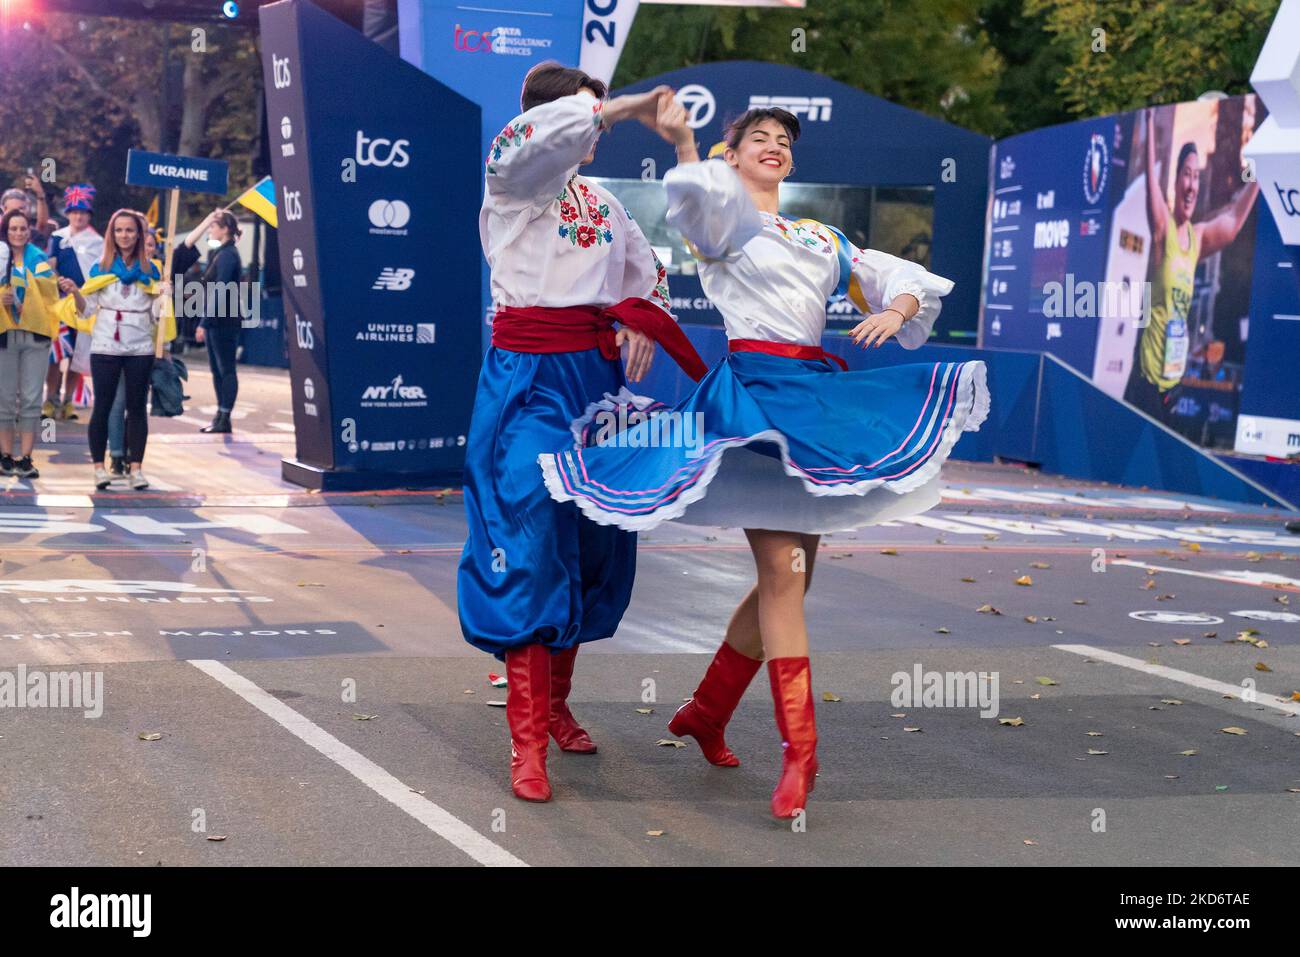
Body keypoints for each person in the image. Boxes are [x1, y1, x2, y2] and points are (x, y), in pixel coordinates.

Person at [539, 102, 989, 819]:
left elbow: (900, 277)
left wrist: (897, 312)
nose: (775, 147)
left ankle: (707, 710)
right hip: (752, 405)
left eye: (784, 140)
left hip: (813, 405)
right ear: (734, 152)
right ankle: (800, 752)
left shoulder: (819, 236)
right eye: (760, 139)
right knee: (783, 573)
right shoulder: (729, 226)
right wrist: (685, 142)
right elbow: (696, 205)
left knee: (794, 578)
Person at [459, 62, 707, 804]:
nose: (592, 128)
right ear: (547, 120)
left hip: (596, 389)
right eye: (583, 115)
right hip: (527, 382)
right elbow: (545, 137)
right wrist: (624, 108)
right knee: (532, 539)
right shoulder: (511, 179)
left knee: (595, 536)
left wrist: (639, 314)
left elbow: (648, 273)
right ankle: (527, 741)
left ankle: (559, 703)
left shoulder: (599, 201)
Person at [1125, 108, 1259, 424]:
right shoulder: (1163, 232)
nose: (1191, 184)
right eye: (1186, 174)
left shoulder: (1197, 238)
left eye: (1196, 176)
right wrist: (1147, 123)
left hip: (1173, 382)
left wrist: (1260, 172)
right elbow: (1151, 189)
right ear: (1175, 182)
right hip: (1145, 378)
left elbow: (1235, 220)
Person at [59, 209, 174, 490]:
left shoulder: (152, 270)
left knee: (136, 408)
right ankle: (99, 468)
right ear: (112, 234)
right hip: (106, 345)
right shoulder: (100, 266)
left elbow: (159, 315)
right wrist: (75, 291)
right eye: (119, 230)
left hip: (140, 346)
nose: (124, 235)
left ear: (139, 235)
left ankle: (136, 469)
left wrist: (165, 296)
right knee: (104, 407)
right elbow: (85, 312)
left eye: (130, 231)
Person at [0, 209, 58, 479]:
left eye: (23, 228)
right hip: (5, 335)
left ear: (29, 230)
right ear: (5, 230)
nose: (18, 233)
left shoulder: (40, 258)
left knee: (32, 398)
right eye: (13, 228)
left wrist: (26, 298)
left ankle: (25, 457)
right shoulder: (0, 256)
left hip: (35, 334)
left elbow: (50, 294)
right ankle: (6, 456)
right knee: (5, 398)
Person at [173, 208, 241, 433]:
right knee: (217, 370)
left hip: (224, 320)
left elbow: (221, 290)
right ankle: (221, 417)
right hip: (216, 320)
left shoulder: (229, 254)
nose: (210, 230)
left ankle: (224, 415)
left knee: (226, 369)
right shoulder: (220, 253)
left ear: (225, 230)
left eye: (214, 226)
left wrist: (204, 322)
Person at [47, 184, 103, 422]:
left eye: (83, 212)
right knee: (56, 354)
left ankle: (69, 400)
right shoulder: (57, 237)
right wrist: (57, 283)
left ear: (88, 215)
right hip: (60, 302)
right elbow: (50, 265)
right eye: (74, 211)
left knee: (78, 355)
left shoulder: (97, 241)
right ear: (68, 214)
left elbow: (97, 274)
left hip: (84, 304)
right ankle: (50, 399)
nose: (78, 216)